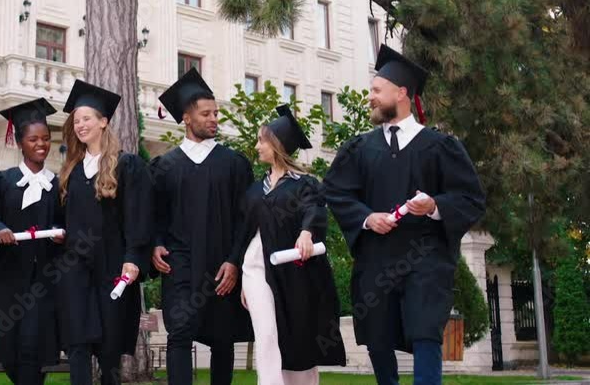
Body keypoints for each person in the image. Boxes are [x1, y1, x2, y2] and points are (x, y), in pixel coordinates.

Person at [321, 45, 485, 385]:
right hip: (376, 260)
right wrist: (367, 217)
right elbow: (335, 191)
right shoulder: (359, 148)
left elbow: (470, 198)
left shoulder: (440, 146)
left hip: (426, 260)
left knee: (426, 333)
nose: (370, 97)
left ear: (401, 93)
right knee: (378, 339)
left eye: (376, 90)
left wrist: (435, 206)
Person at [150, 69, 254, 385]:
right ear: (186, 118)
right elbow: (154, 214)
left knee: (222, 340)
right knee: (179, 335)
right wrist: (156, 242)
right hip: (179, 266)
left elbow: (247, 219)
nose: (213, 119)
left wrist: (235, 261)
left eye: (216, 113)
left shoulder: (234, 164)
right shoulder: (165, 166)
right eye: (206, 114)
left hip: (222, 267)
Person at [55, 80, 153, 385]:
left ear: (103, 121)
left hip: (112, 267)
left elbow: (138, 216)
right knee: (77, 344)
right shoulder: (71, 170)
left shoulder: (127, 165)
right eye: (76, 121)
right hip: (75, 270)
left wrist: (133, 257)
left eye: (86, 119)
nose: (80, 125)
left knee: (109, 349)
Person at [239, 104, 346, 385]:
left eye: (262, 140)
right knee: (266, 333)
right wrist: (241, 278)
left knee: (297, 337)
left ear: (278, 145)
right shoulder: (255, 190)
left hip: (294, 269)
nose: (257, 146)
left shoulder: (304, 184)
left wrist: (307, 232)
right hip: (256, 268)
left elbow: (314, 208)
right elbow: (245, 232)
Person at [0, 98, 64, 384]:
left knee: (33, 349)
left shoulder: (58, 186)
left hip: (44, 281)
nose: (41, 144)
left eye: (46, 138)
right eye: (33, 139)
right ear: (20, 142)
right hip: (9, 281)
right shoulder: (2, 181)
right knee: (12, 355)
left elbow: (69, 222)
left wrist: (61, 233)